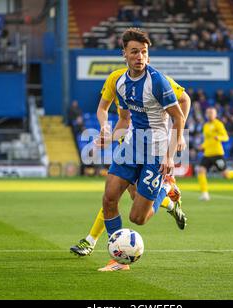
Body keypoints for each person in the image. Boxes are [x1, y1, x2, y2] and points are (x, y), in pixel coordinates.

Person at [77, 28, 186, 272]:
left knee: (139, 218)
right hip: (132, 145)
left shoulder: (157, 81)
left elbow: (178, 118)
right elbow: (125, 120)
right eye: (134, 51)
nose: (140, 56)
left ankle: (166, 189)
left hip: (156, 151)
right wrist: (109, 135)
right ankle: (118, 259)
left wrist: (170, 155)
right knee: (109, 198)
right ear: (124, 54)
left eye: (144, 52)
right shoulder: (121, 82)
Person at [197, 107, 233, 201]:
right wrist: (202, 146)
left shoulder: (218, 124)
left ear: (215, 114)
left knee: (226, 174)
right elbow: (207, 140)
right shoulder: (205, 125)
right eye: (208, 113)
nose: (209, 114)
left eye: (211, 112)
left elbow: (226, 137)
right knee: (201, 171)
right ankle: (205, 194)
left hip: (217, 153)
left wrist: (218, 137)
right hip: (207, 154)